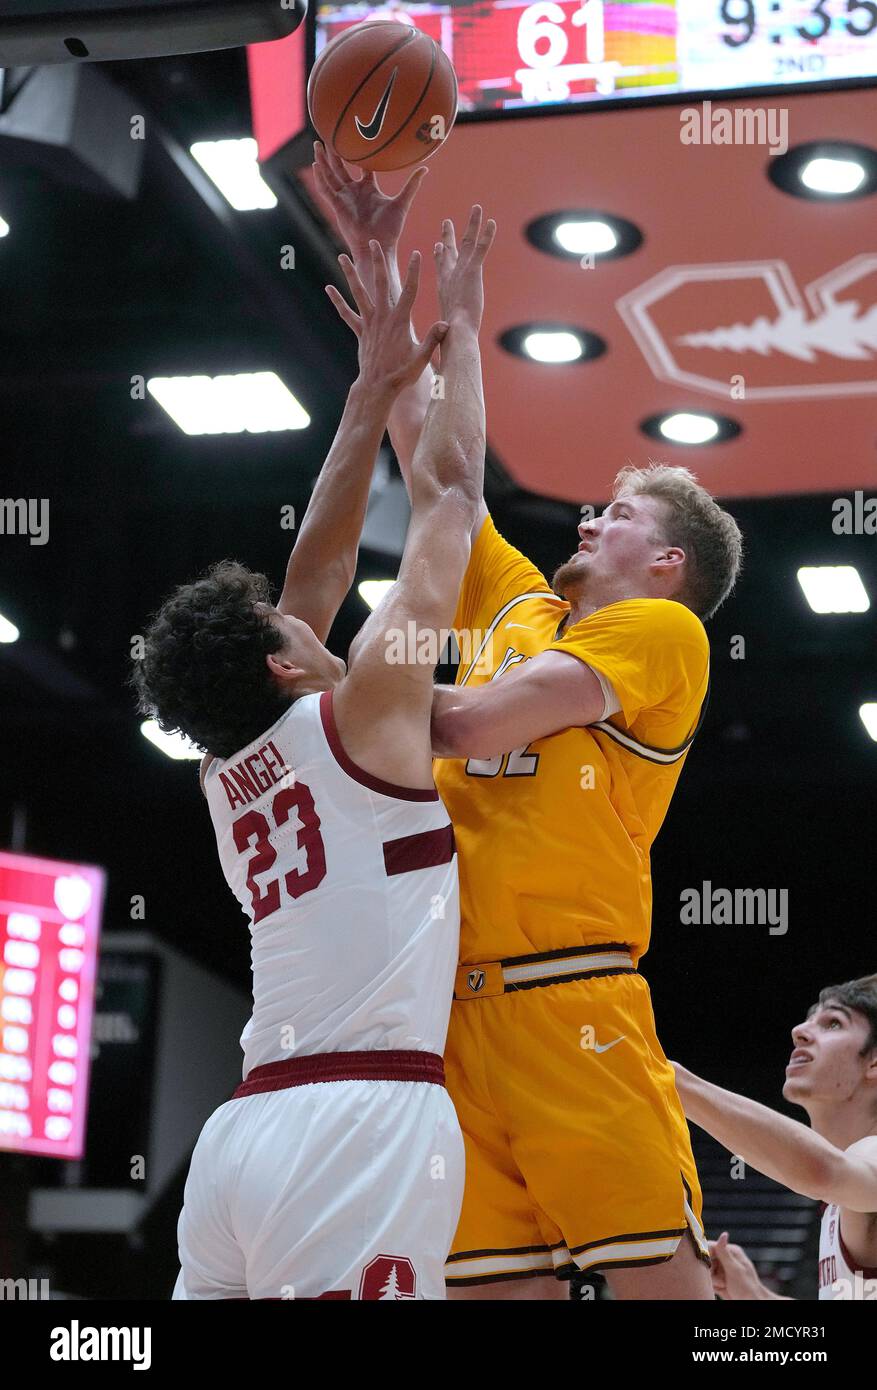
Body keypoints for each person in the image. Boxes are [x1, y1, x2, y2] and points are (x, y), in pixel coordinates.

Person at [314, 139, 743, 1299]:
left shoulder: (663, 635)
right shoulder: (521, 602)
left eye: (616, 512)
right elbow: (443, 478)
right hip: (444, 1017)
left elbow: (463, 722)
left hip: (573, 998)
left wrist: (331, 684)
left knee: (671, 1299)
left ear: (664, 559)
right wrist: (408, 324)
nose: (591, 515)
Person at [133, 208, 496, 1299]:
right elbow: (455, 503)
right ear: (288, 668)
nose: (316, 621)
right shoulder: (372, 706)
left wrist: (371, 386)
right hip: (358, 1121)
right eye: (298, 635)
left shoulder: (226, 766)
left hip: (245, 1138)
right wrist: (461, 327)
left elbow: (313, 583)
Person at [674, 974, 877, 1301]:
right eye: (809, 1019)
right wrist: (755, 1295)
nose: (800, 1031)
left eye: (833, 1023)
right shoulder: (843, 1196)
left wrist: (676, 1084)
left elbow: (821, 1170)